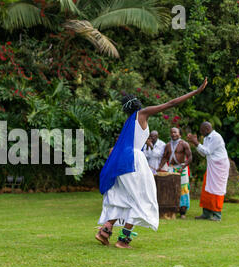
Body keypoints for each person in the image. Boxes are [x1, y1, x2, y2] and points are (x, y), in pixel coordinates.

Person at [96, 78, 208, 249]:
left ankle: (105, 231)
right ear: (138, 105)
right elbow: (170, 103)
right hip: (133, 161)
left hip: (123, 161)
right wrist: (196, 92)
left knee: (124, 197)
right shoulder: (142, 114)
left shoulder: (129, 121)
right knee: (143, 198)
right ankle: (123, 240)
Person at [187, 122, 230, 221]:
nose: (201, 132)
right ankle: (206, 213)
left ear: (207, 129)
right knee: (207, 187)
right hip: (212, 166)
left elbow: (207, 151)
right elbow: (203, 154)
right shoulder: (207, 138)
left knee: (217, 189)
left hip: (220, 167)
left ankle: (217, 214)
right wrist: (195, 142)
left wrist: (196, 142)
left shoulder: (216, 137)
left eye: (202, 130)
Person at [158, 127, 192, 218]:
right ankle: (172, 210)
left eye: (175, 132)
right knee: (171, 189)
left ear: (179, 134)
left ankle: (182, 212)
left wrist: (183, 166)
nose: (173, 134)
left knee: (183, 189)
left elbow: (190, 157)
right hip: (171, 168)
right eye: (172, 132)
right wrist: (160, 167)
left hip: (182, 168)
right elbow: (165, 157)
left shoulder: (184, 144)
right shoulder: (168, 145)